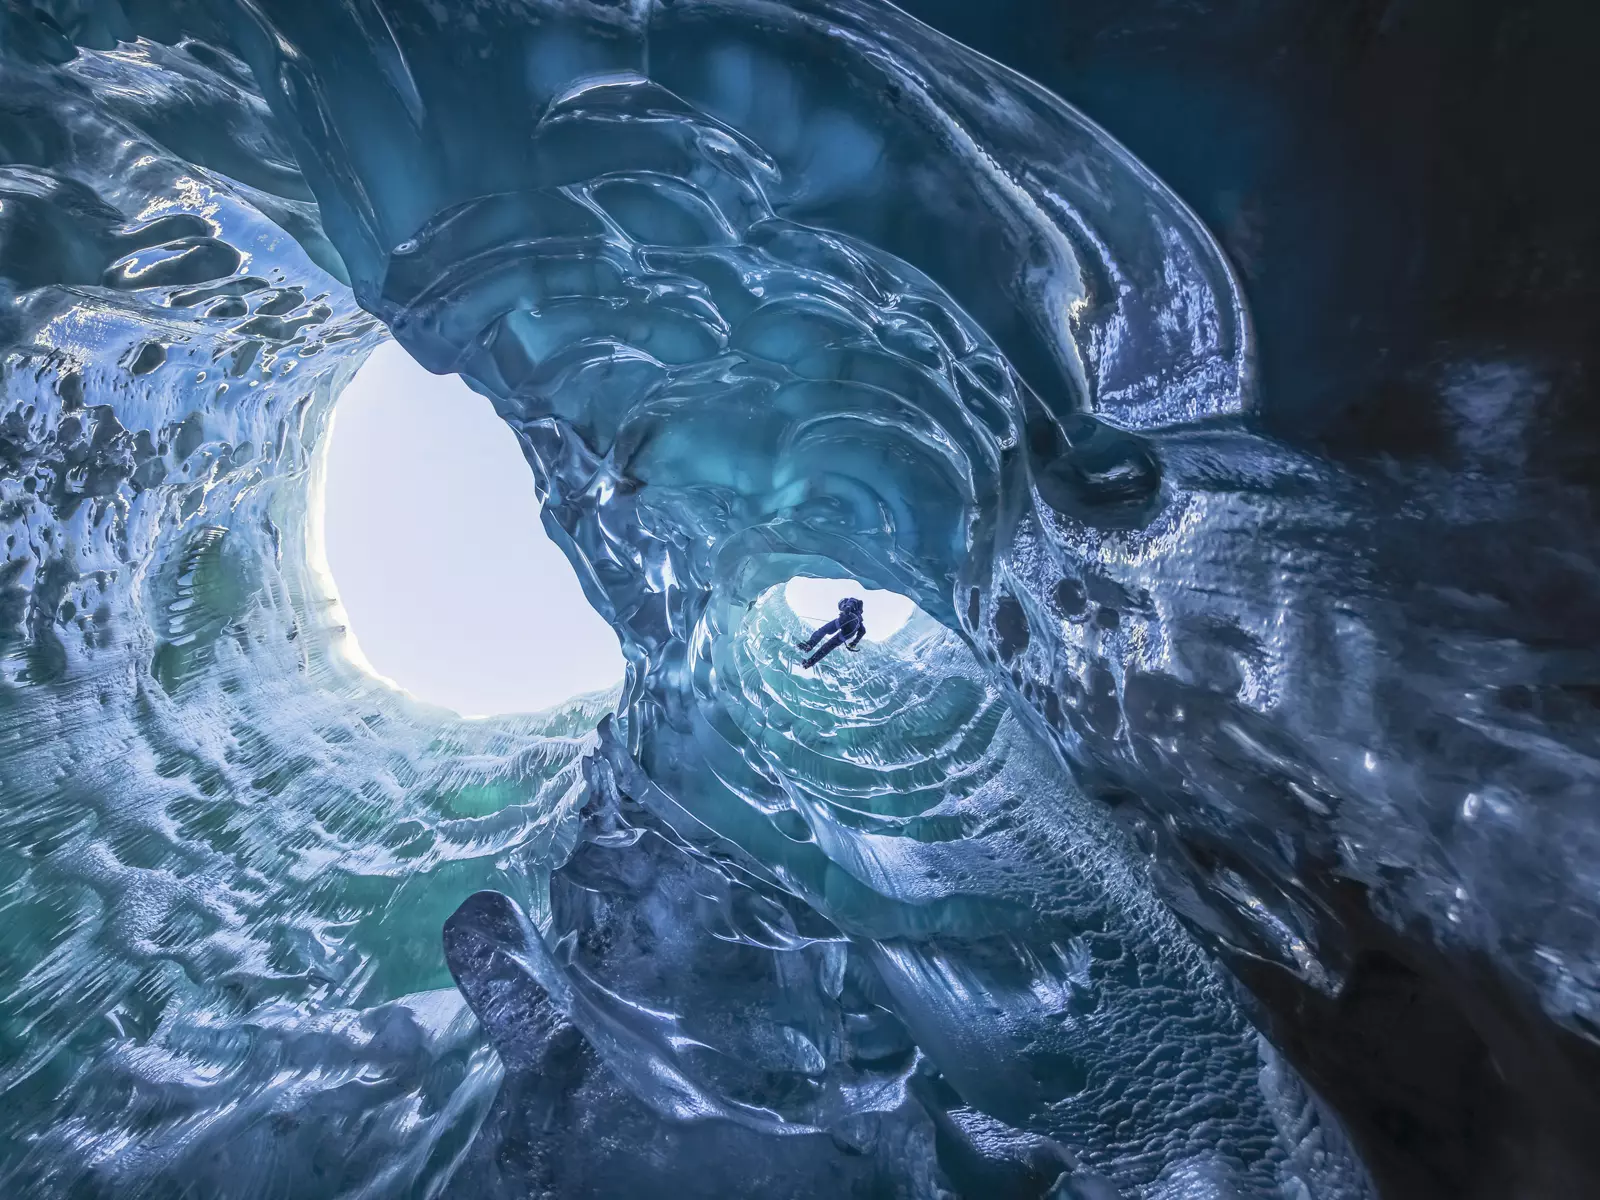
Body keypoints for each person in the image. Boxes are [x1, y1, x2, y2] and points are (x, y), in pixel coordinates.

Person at [797, 596, 866, 668]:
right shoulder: (859, 617)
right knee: (829, 646)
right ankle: (809, 663)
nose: (841, 609)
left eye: (841, 607)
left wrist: (847, 608)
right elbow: (863, 631)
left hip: (848, 618)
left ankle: (809, 645)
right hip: (851, 632)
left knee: (824, 630)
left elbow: (851, 603)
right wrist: (854, 643)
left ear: (843, 602)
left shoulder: (851, 600)